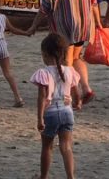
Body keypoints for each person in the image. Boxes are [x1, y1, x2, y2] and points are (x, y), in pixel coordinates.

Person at [28, 0, 101, 103]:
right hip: (84, 25)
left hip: (65, 27)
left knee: (65, 61)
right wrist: (98, 24)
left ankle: (74, 98)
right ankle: (86, 88)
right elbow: (94, 3)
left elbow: (44, 9)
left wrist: (33, 26)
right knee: (76, 57)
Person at [30, 33, 83, 179]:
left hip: (50, 112)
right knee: (66, 147)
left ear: (45, 54)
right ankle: (70, 176)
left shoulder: (44, 73)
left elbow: (41, 98)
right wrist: (78, 101)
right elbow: (76, 91)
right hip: (67, 111)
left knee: (47, 147)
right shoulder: (70, 71)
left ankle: (43, 176)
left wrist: (40, 118)